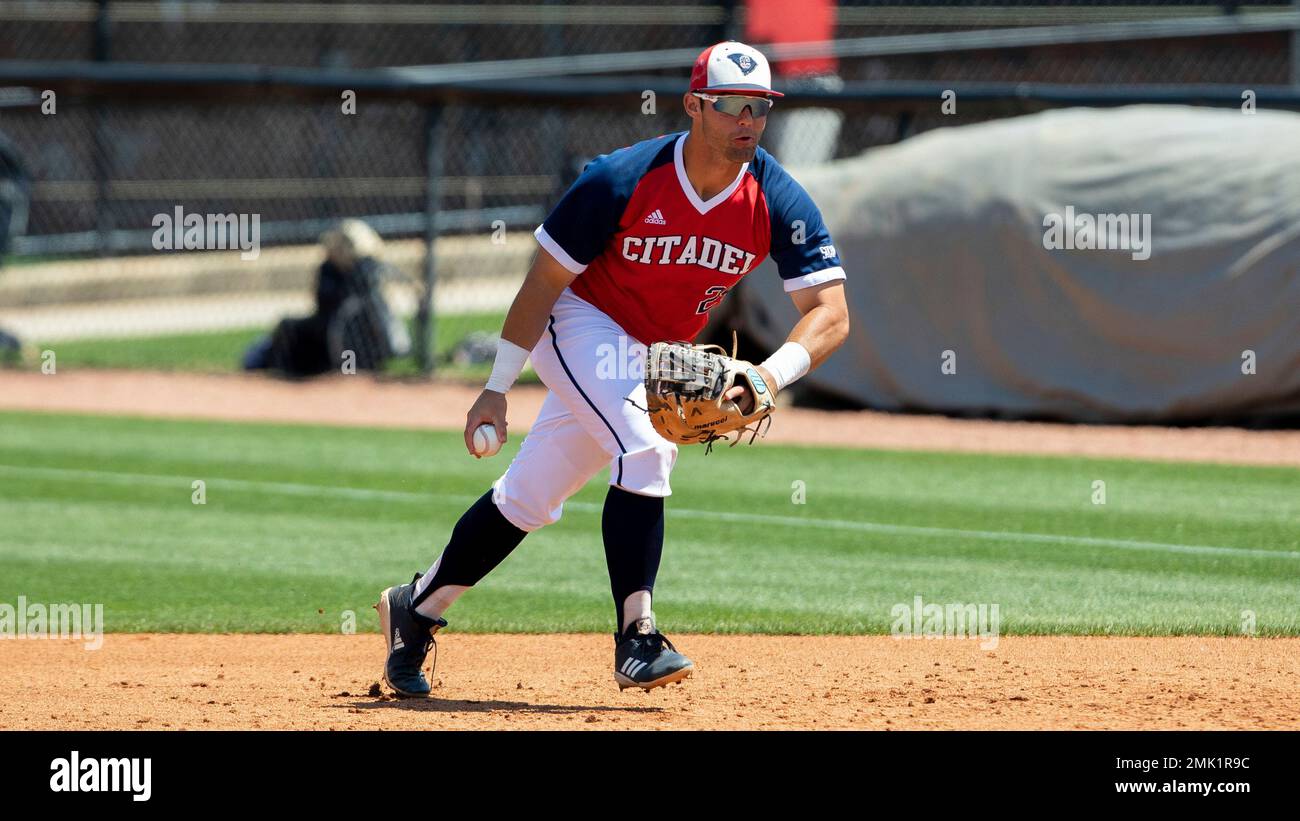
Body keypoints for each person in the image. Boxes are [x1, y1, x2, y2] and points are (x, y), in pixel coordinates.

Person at [376, 41, 851, 696]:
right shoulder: (620, 180)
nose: (747, 119)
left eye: (759, 107)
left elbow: (831, 311)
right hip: (578, 324)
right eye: (730, 105)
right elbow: (542, 282)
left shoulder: (775, 195)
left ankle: (415, 607)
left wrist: (768, 377)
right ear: (694, 106)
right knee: (648, 447)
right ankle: (638, 637)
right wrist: (495, 389)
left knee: (529, 498)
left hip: (648, 357)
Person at [242, 219, 407, 376]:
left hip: (351, 336)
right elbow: (324, 303)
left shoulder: (368, 269)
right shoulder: (329, 270)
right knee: (286, 328)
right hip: (328, 326)